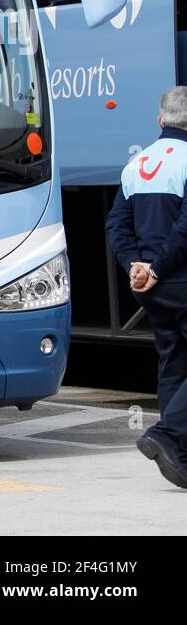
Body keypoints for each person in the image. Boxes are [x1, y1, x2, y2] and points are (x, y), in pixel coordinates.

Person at [107, 87, 187, 489]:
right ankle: (167, 434)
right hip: (180, 278)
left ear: (160, 121)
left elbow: (116, 225)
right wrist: (157, 267)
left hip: (152, 287)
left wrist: (136, 268)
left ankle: (180, 457)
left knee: (174, 360)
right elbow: (186, 229)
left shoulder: (137, 164)